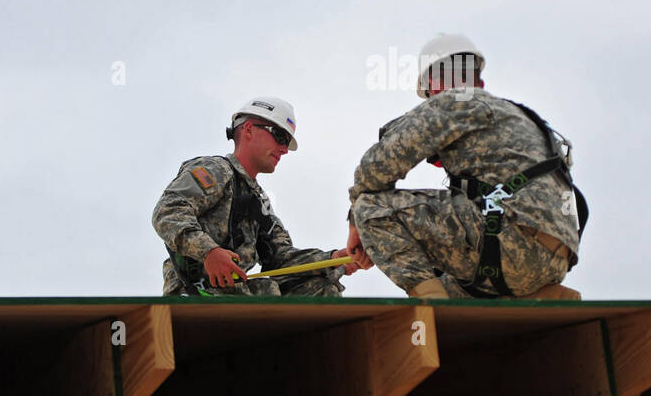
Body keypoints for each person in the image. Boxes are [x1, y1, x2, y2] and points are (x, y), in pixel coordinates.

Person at [344, 34, 587, 299]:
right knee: (447, 282)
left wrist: (358, 224)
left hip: (509, 240)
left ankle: (433, 310)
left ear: (435, 82)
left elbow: (375, 169)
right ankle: (539, 294)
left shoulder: (456, 100)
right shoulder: (522, 118)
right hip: (554, 257)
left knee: (370, 206)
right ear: (479, 79)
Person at [153, 96, 357, 297]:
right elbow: (168, 212)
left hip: (238, 296)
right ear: (248, 129)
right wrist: (208, 252)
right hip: (197, 294)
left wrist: (331, 258)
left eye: (287, 142)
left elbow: (280, 257)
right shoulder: (216, 170)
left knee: (321, 288)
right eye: (279, 136)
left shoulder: (259, 202)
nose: (284, 149)